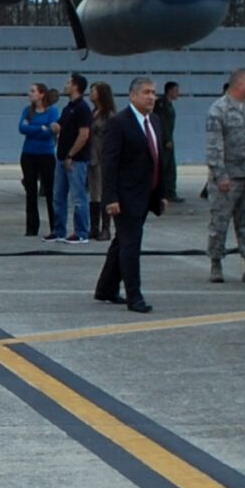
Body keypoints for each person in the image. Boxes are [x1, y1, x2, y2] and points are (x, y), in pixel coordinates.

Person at [93, 77, 167, 313]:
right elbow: (110, 162)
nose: (151, 97)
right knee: (131, 245)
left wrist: (161, 193)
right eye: (146, 92)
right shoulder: (119, 123)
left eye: (153, 92)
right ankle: (134, 296)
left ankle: (105, 288)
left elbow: (158, 160)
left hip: (147, 194)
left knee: (121, 242)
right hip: (125, 196)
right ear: (133, 96)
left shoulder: (154, 121)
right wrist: (111, 197)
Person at [204, 68, 245, 283]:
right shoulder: (218, 110)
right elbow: (214, 147)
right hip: (228, 178)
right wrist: (220, 175)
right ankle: (216, 263)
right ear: (239, 84)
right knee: (219, 222)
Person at [52, 74, 94, 242]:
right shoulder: (67, 108)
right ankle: (59, 231)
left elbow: (84, 134)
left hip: (75, 160)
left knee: (78, 197)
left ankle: (81, 232)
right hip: (62, 158)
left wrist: (71, 154)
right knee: (59, 196)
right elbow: (58, 127)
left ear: (76, 86)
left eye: (69, 83)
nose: (66, 85)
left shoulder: (83, 108)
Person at [17, 83, 61, 237]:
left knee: (50, 191)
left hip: (46, 154)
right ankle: (31, 227)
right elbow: (22, 128)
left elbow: (50, 131)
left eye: (33, 91)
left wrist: (35, 128)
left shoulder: (52, 111)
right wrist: (40, 128)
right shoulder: (27, 111)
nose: (30, 94)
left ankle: (55, 226)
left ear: (42, 94)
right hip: (28, 154)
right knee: (31, 191)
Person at [87, 82, 116, 239]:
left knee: (103, 194)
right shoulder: (93, 113)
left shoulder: (109, 116)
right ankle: (94, 227)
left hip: (103, 159)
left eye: (94, 91)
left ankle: (105, 228)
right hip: (92, 158)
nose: (91, 94)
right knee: (93, 194)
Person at [155, 81, 182, 204]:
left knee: (170, 168)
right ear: (169, 90)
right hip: (163, 141)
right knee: (163, 167)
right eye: (176, 90)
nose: (178, 93)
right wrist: (166, 139)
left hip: (169, 140)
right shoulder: (161, 104)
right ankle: (162, 193)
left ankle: (170, 192)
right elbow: (162, 123)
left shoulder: (169, 105)